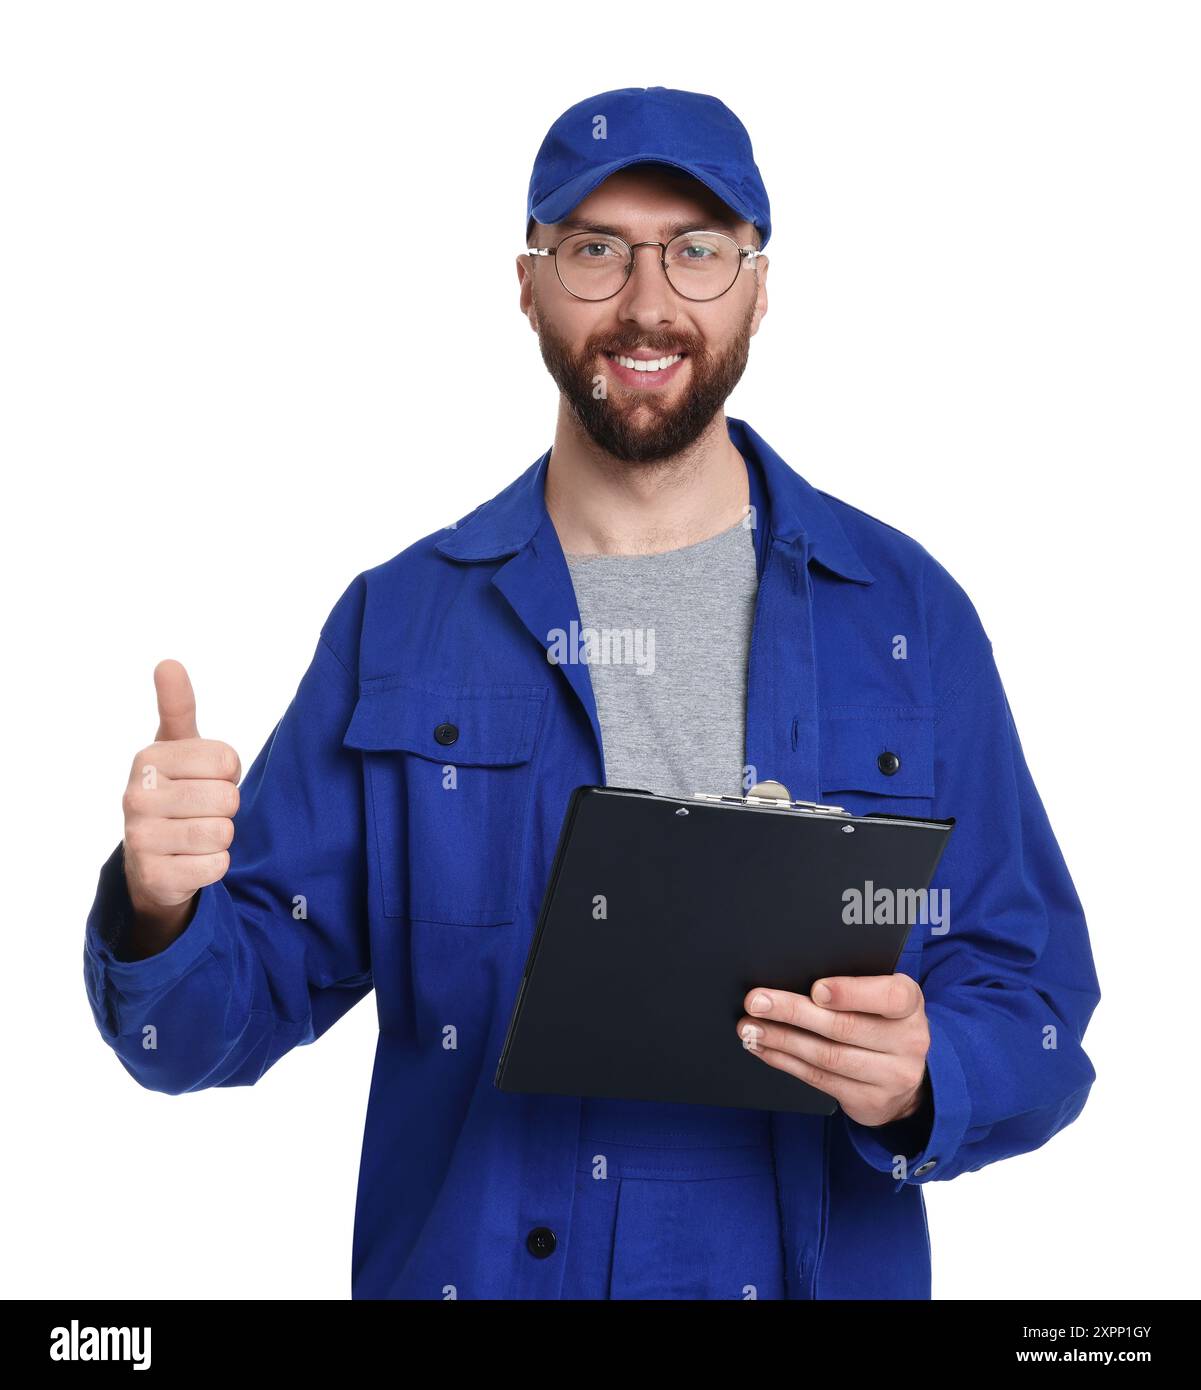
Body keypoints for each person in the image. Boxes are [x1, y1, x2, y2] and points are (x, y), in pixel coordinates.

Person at [84, 86, 1101, 1300]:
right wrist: (160, 907)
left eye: (699, 250)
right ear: (528, 285)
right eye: (595, 250)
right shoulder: (400, 623)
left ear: (760, 287)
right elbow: (201, 1029)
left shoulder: (905, 615)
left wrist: (931, 1072)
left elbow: (1034, 996)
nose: (648, 300)